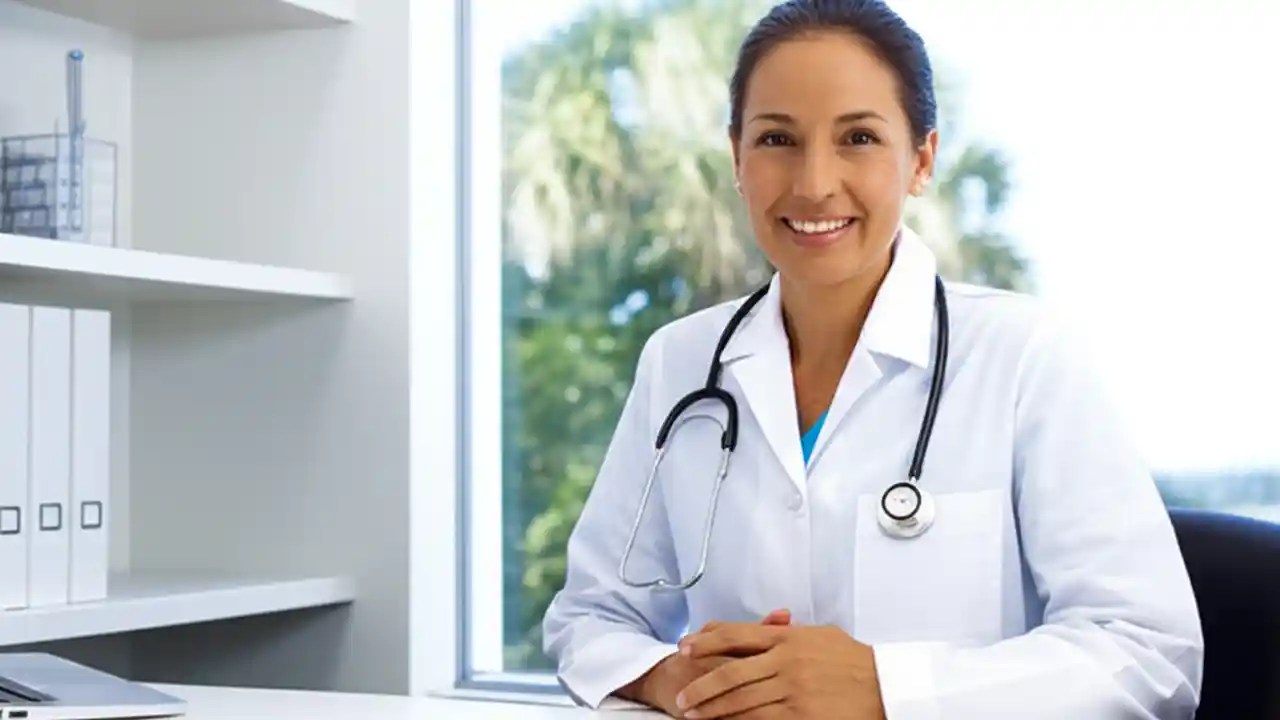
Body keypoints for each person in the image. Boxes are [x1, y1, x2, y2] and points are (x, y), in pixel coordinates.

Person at [541, 0, 1204, 718]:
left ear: (921, 159)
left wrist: (887, 689)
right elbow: (589, 618)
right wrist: (676, 679)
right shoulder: (681, 361)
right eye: (776, 139)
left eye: (857, 136)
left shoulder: (1023, 356)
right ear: (736, 157)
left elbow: (1144, 652)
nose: (814, 183)